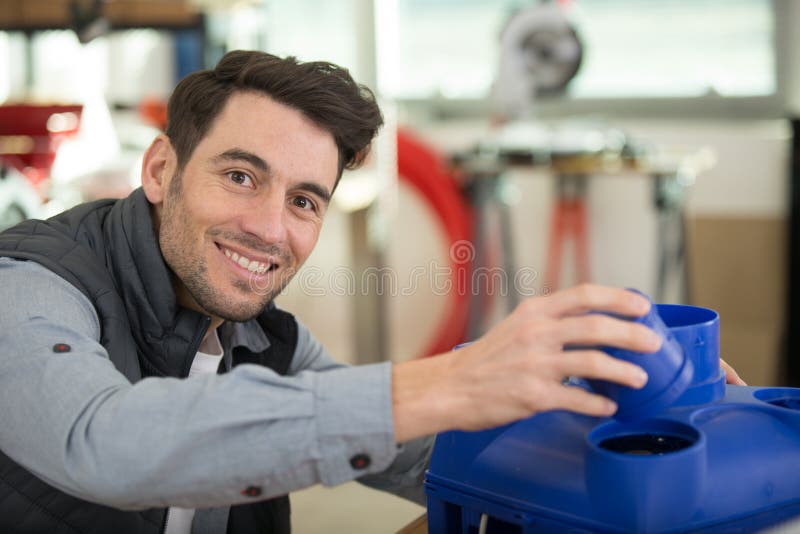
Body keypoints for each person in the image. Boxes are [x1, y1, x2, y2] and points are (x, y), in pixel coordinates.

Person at [0, 50, 744, 534]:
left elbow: (422, 457)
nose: (268, 227)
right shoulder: (29, 285)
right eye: (239, 176)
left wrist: (609, 424)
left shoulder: (262, 339)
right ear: (161, 170)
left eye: (304, 200)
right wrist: (457, 376)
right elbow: (105, 444)